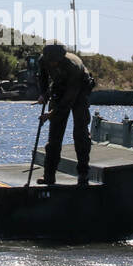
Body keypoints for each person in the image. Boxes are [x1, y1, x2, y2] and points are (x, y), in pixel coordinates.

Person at [36, 43, 96, 186]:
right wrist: (43, 94)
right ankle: (49, 176)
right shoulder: (43, 60)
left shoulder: (72, 66)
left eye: (55, 61)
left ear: (61, 58)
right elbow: (42, 77)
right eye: (50, 61)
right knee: (54, 136)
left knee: (80, 133)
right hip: (59, 87)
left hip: (79, 90)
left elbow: (69, 99)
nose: (53, 64)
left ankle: (83, 174)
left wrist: (51, 114)